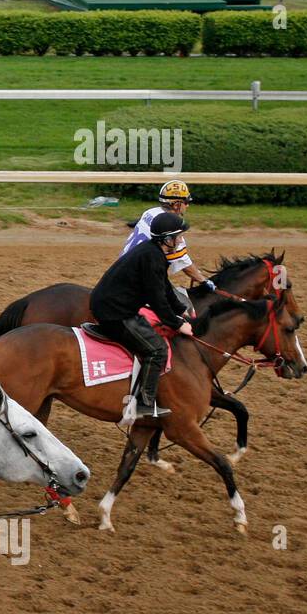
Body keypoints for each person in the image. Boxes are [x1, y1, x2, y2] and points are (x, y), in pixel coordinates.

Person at [92, 211, 195, 429]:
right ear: (167, 239)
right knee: (157, 349)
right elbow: (156, 299)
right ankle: (144, 404)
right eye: (177, 237)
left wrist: (181, 309)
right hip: (114, 312)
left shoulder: (154, 254)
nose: (180, 240)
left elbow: (164, 286)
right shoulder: (152, 257)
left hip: (115, 306)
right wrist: (178, 324)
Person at [122, 180, 216, 313]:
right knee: (184, 309)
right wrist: (204, 281)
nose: (187, 206)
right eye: (186, 202)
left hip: (124, 267)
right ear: (177, 204)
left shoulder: (150, 211)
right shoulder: (171, 227)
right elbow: (183, 263)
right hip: (139, 278)